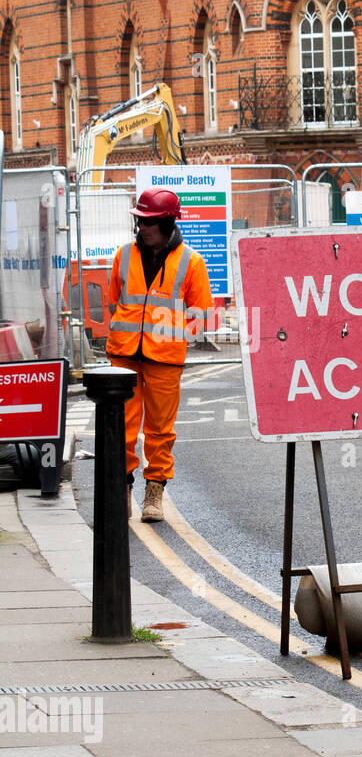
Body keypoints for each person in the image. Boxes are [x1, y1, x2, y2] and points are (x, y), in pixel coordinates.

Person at [106, 188, 213, 522]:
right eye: (140, 221)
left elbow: (201, 314)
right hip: (124, 356)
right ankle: (121, 488)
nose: (142, 227)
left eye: (149, 222)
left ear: (167, 223)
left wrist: (169, 337)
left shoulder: (191, 262)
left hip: (165, 360)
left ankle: (154, 491)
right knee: (121, 427)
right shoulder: (124, 255)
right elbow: (115, 301)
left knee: (160, 430)